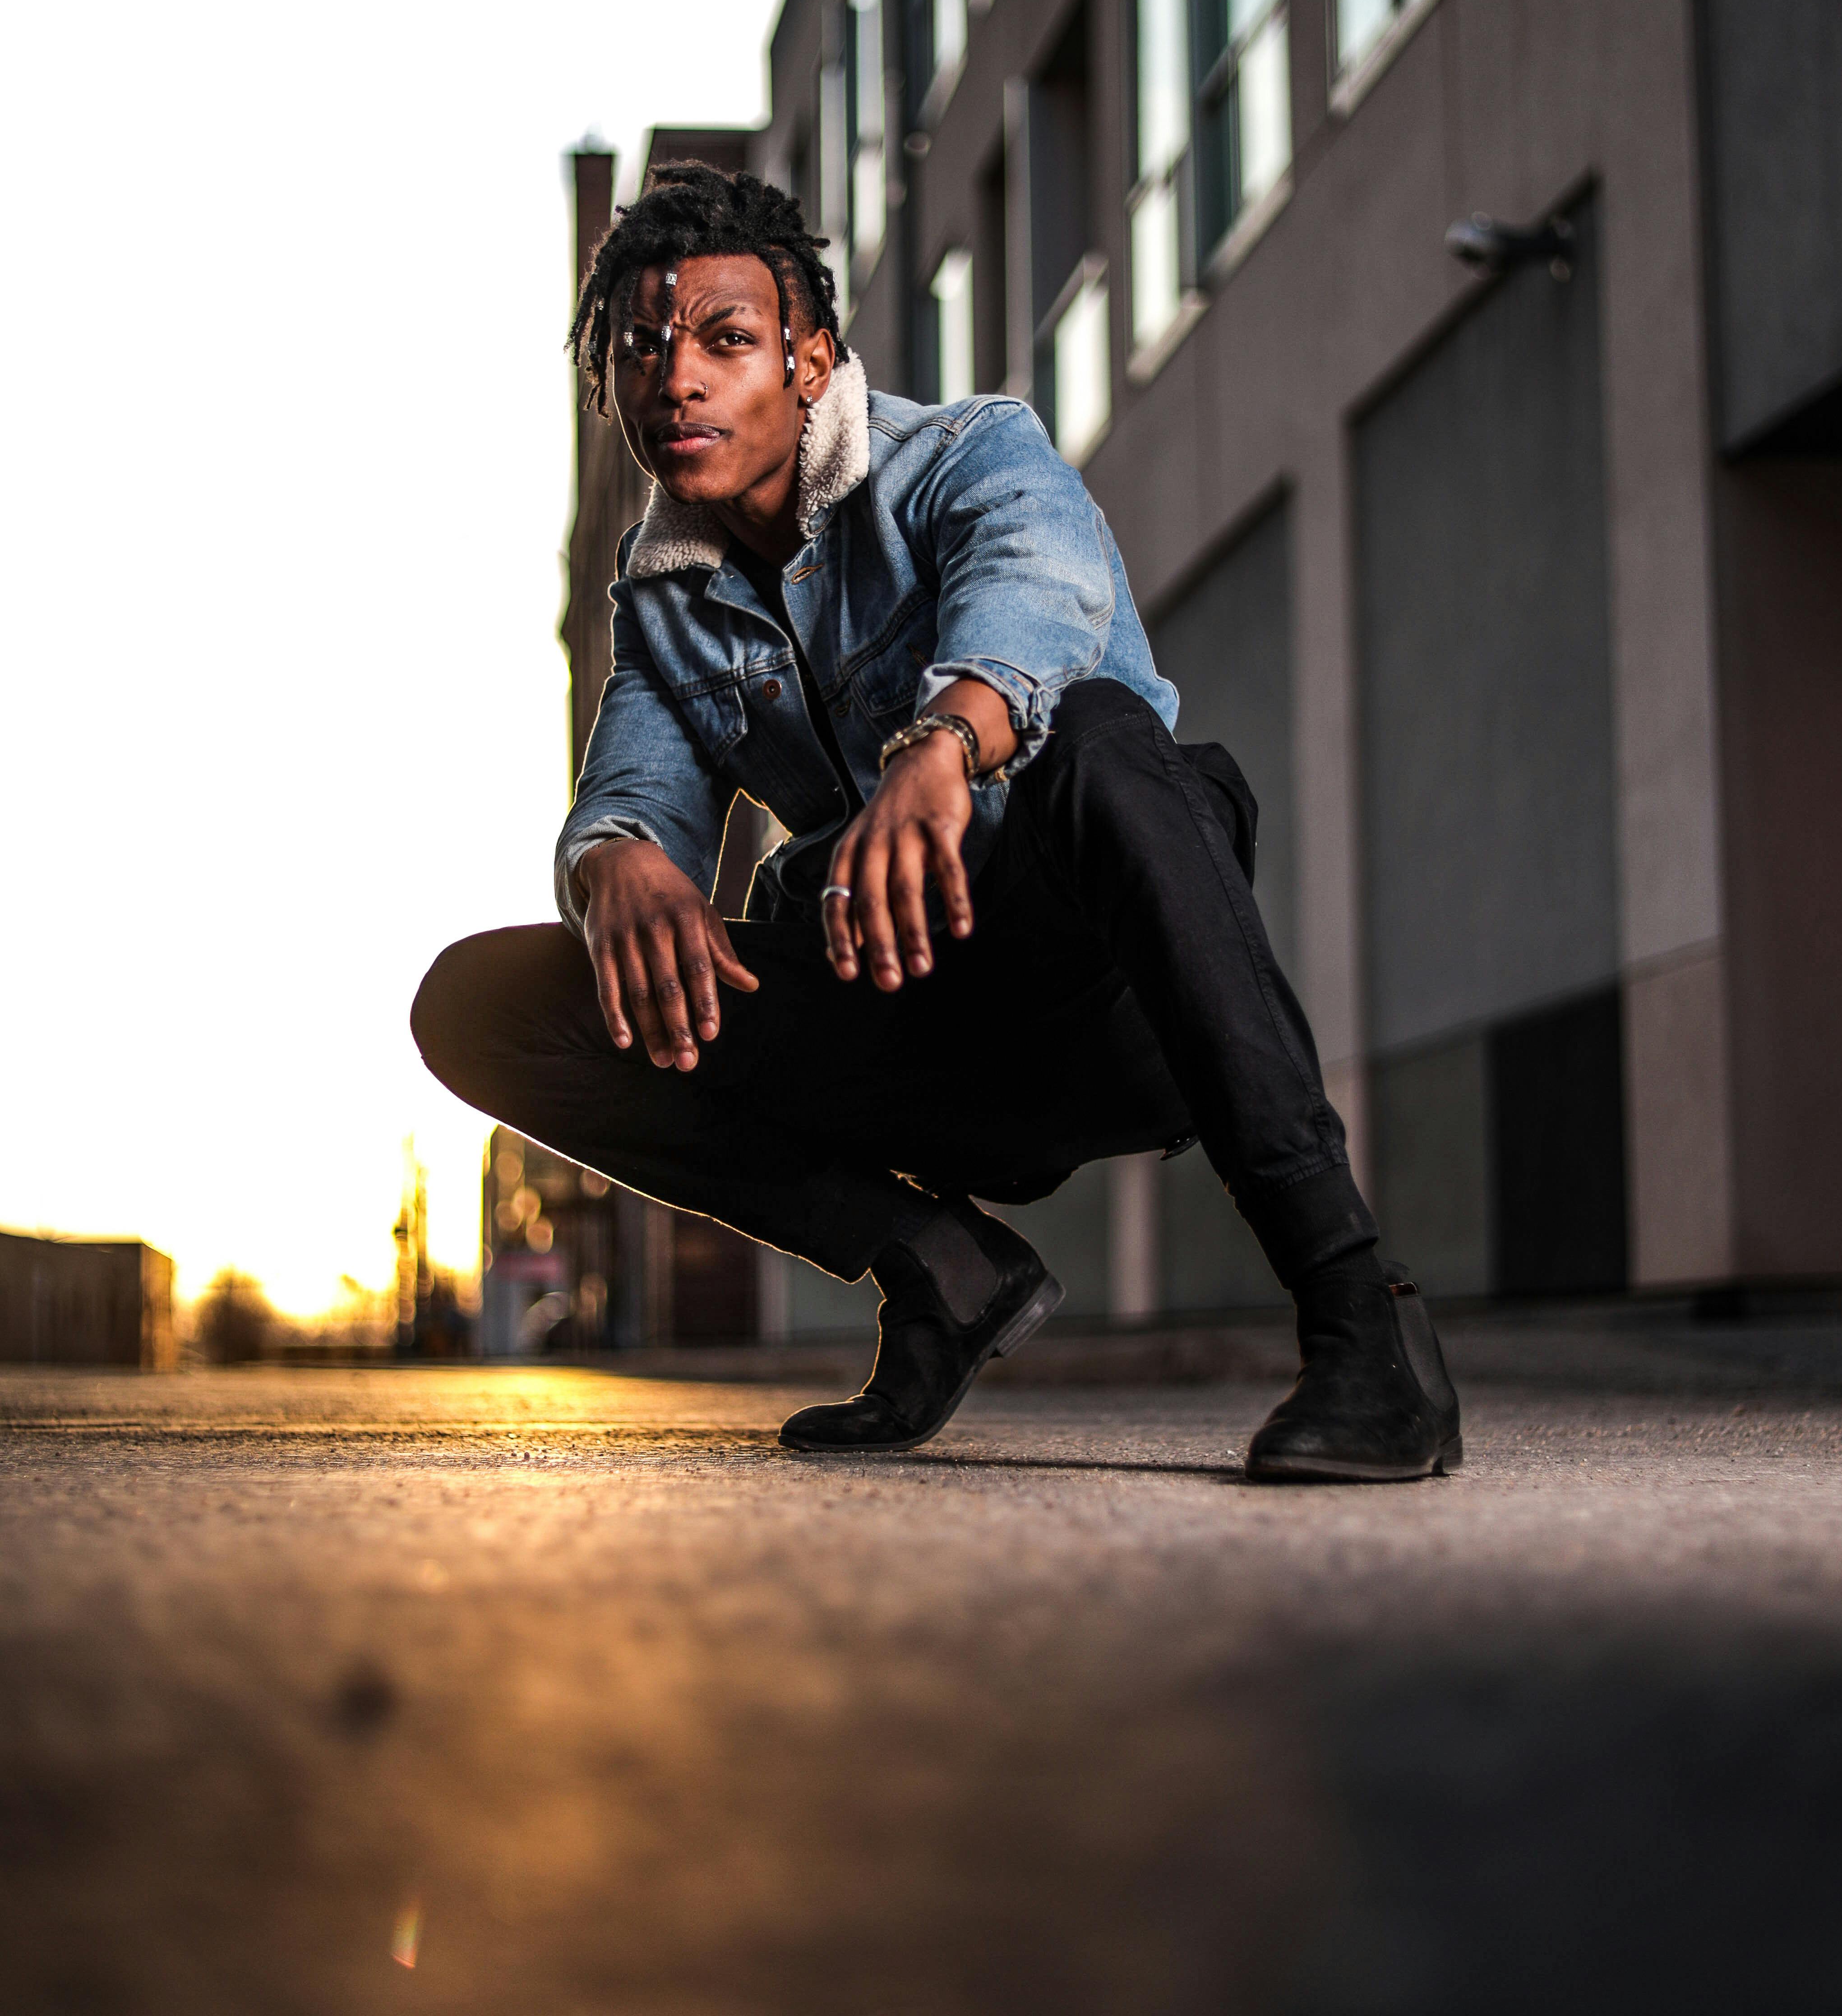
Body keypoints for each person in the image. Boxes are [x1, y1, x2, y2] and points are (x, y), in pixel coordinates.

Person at [412, 161, 1460, 1481]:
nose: (676, 379)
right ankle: (938, 1268)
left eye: (726, 341)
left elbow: (1042, 588)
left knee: (1108, 744)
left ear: (810, 360)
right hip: (916, 1030)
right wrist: (618, 864)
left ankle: (1368, 1324)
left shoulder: (969, 454)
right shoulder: (662, 599)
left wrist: (947, 741)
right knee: (482, 999)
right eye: (640, 349)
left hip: (1107, 999)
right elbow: (635, 787)